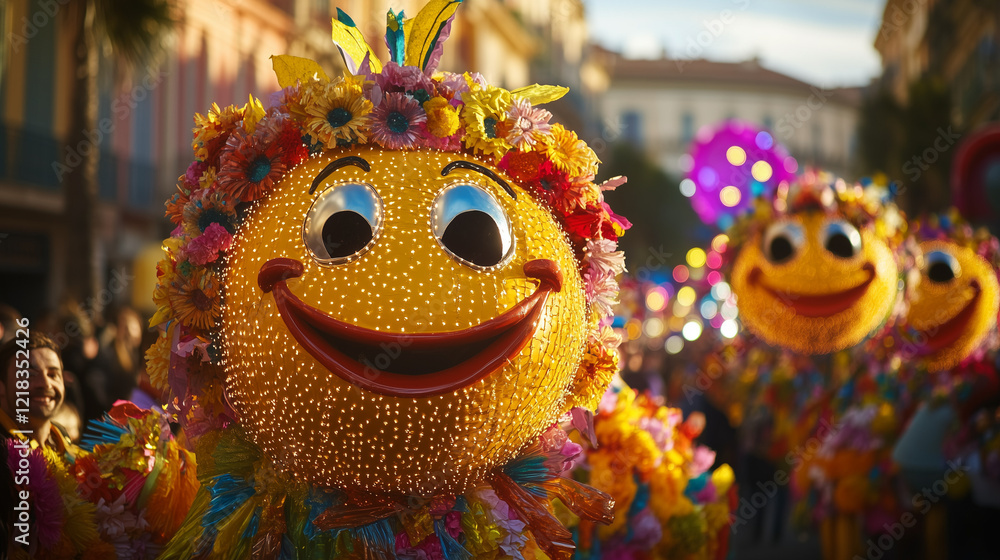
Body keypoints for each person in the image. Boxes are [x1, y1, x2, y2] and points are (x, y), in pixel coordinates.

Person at [0, 332, 78, 460]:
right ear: (1, 386)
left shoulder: (62, 439)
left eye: (52, 375)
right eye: (29, 374)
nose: (45, 384)